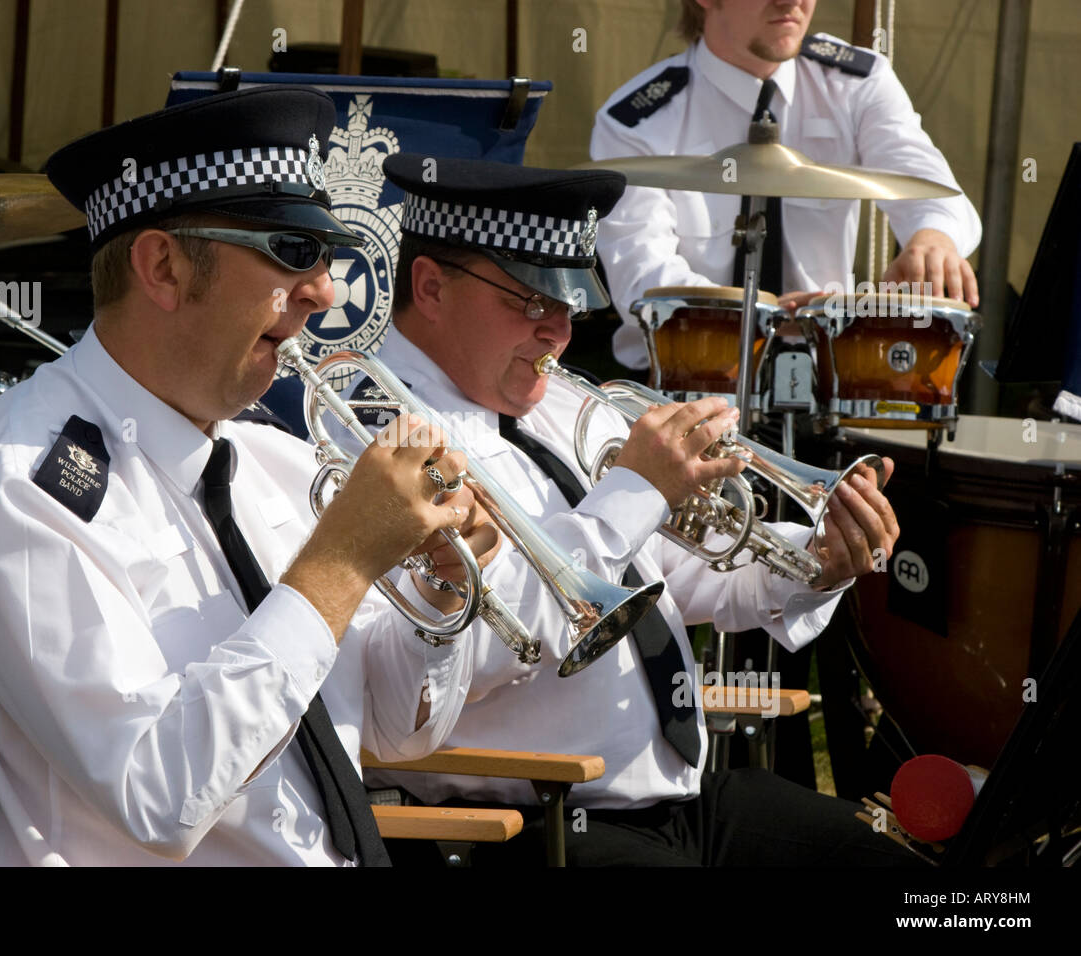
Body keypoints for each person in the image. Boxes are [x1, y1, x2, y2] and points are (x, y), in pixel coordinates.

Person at [0, 88, 504, 866]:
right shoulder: (20, 482)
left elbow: (398, 731)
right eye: (291, 252)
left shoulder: (273, 462)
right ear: (164, 266)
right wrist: (342, 562)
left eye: (325, 257)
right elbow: (158, 796)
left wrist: (440, 587)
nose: (321, 291)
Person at [357, 152, 914, 865]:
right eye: (529, 303)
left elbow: (682, 575)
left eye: (567, 305)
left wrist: (814, 560)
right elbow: (468, 653)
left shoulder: (560, 405)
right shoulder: (382, 441)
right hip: (534, 824)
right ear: (431, 288)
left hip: (686, 803)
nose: (557, 333)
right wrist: (631, 497)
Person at [590, 0, 982, 370]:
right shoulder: (635, 121)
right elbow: (641, 282)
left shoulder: (857, 82)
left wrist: (932, 240)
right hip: (681, 379)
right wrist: (770, 316)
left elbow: (932, 189)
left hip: (824, 380)